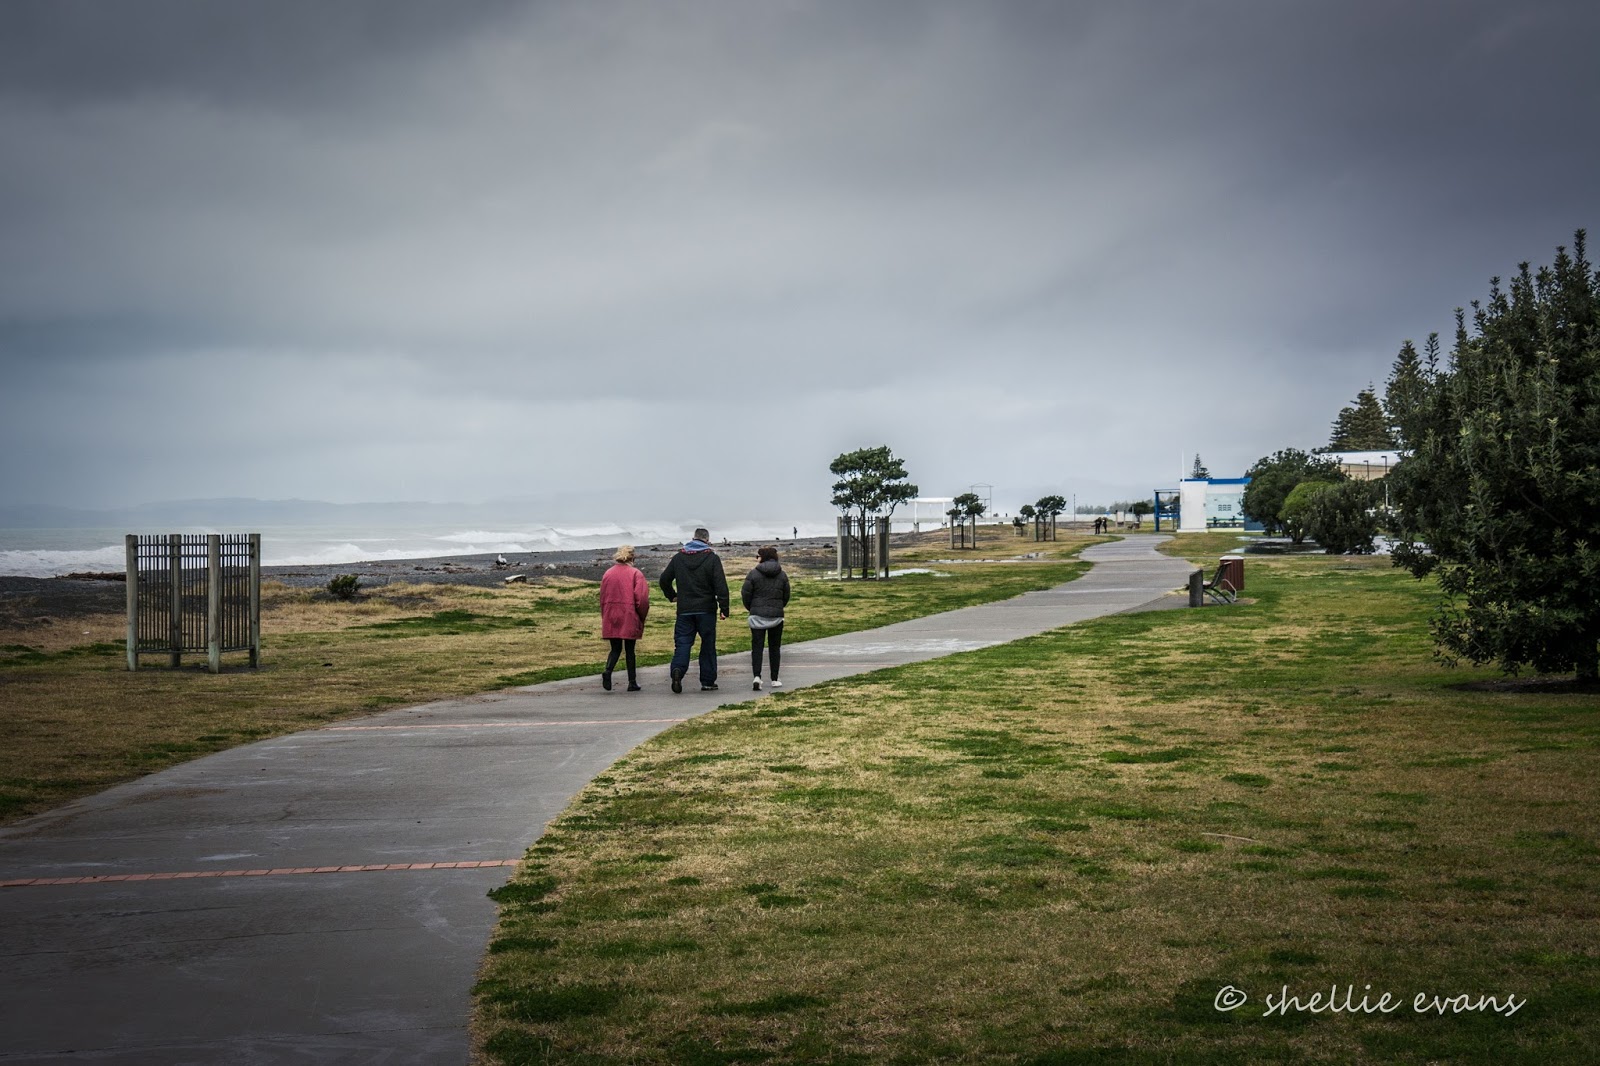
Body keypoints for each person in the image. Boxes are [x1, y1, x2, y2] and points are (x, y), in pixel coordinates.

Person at [659, 527, 729, 692]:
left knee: (683, 643)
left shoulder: (678, 558)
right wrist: (724, 608)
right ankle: (707, 681)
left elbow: (664, 580)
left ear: (693, 538)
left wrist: (672, 596)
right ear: (707, 540)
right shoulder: (712, 558)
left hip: (685, 610)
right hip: (706, 610)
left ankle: (677, 670)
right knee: (707, 645)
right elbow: (721, 586)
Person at [598, 544, 649, 691]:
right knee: (630, 649)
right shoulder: (635, 574)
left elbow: (602, 596)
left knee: (615, 648)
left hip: (611, 613)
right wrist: (641, 616)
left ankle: (608, 671)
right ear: (633, 557)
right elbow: (642, 599)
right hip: (629, 613)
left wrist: (605, 614)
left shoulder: (608, 573)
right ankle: (632, 682)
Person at [741, 544, 790, 691]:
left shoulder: (753, 574)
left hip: (757, 615)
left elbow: (746, 594)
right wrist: (779, 607)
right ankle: (774, 679)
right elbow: (786, 596)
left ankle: (757, 677)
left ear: (762, 557)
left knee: (757, 647)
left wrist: (752, 608)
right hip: (776, 616)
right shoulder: (782, 574)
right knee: (775, 648)